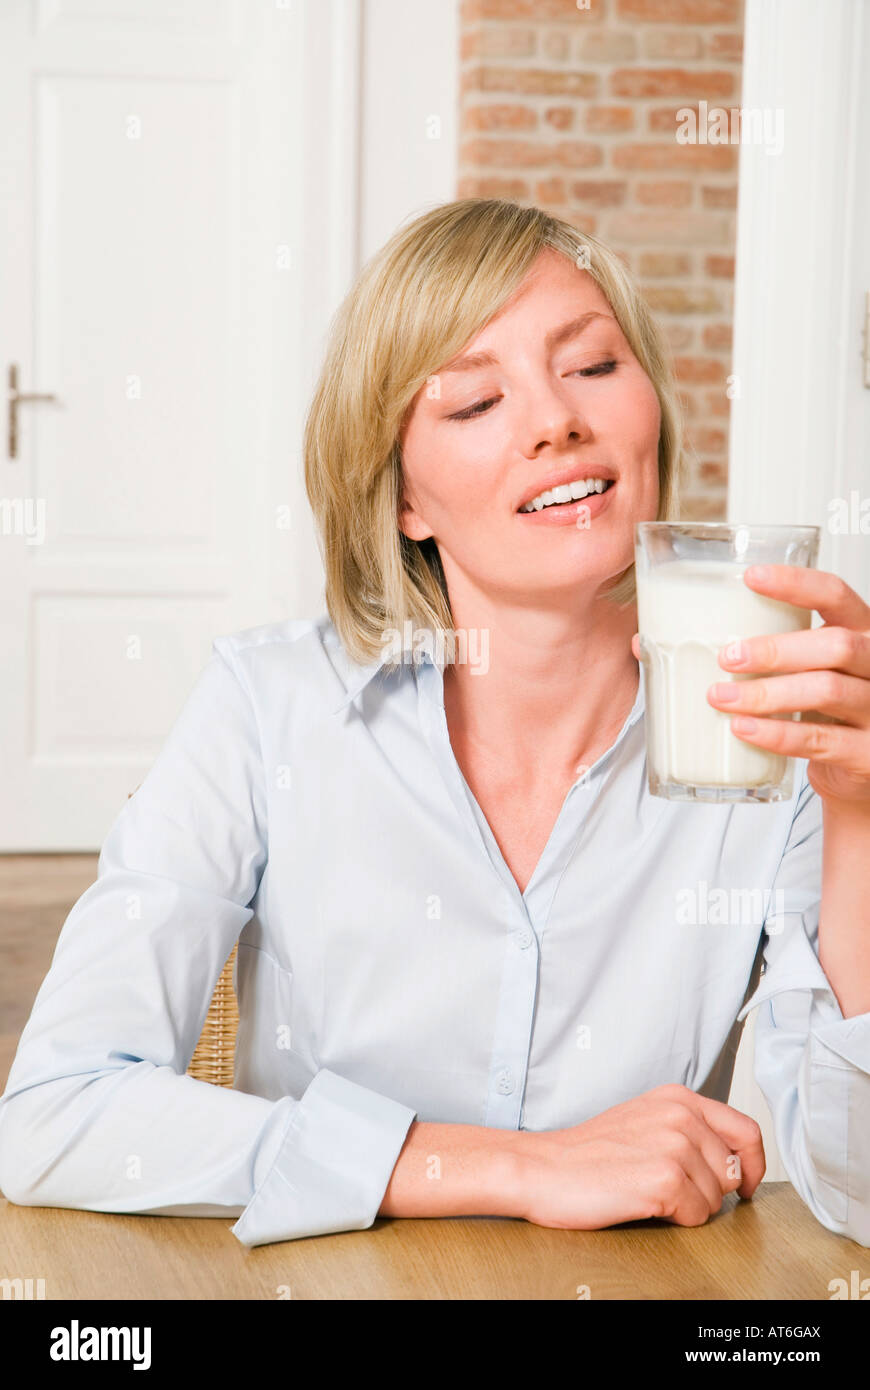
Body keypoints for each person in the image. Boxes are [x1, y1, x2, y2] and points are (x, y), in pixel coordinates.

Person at [0, 198, 867, 1249]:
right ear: (405, 497)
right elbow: (54, 1111)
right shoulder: (269, 708)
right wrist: (513, 1166)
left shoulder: (770, 733)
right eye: (473, 402)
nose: (556, 420)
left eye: (593, 366)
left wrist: (861, 818)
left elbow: (854, 1186)